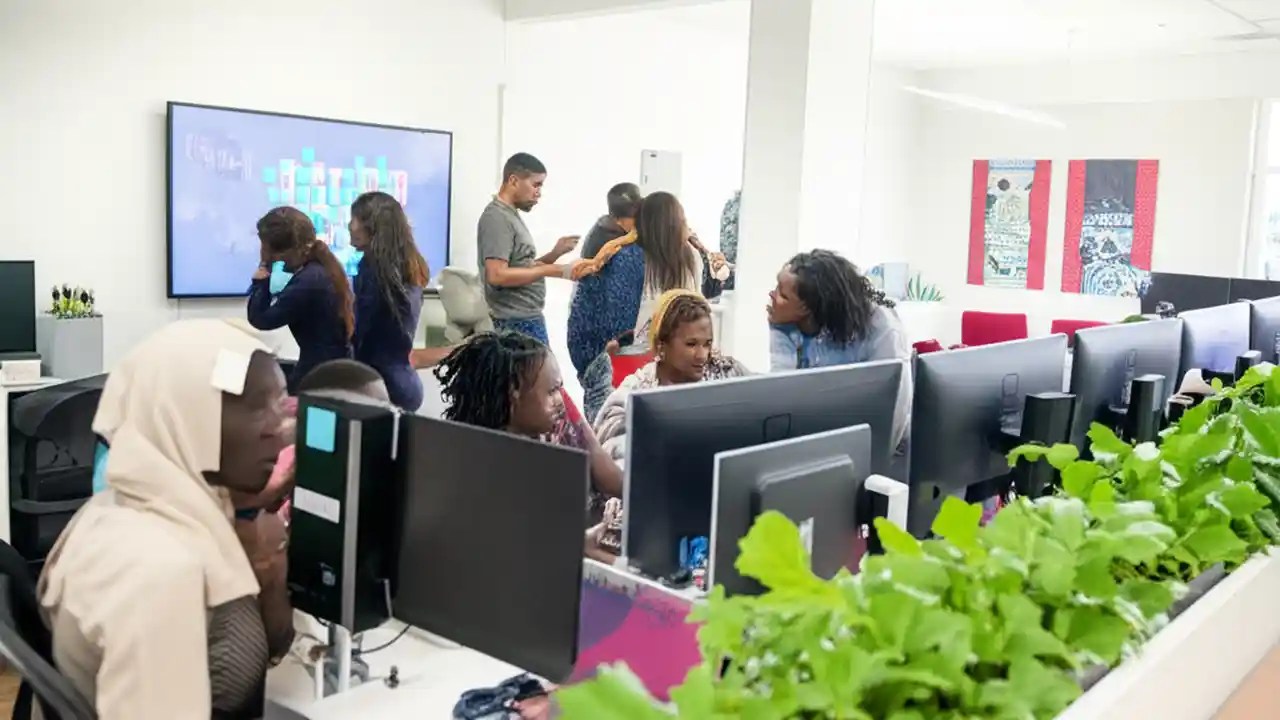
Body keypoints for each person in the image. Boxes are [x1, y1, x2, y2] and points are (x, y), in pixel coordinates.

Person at [38, 320, 290, 719]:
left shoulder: (120, 508)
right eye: (258, 407)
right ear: (184, 418)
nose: (279, 429)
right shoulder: (160, 573)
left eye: (280, 403)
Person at [432, 331, 624, 557]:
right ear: (513, 396)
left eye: (560, 388)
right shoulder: (480, 470)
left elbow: (607, 473)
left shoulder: (557, 418)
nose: (561, 399)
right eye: (552, 391)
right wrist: (581, 547)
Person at [767, 249, 913, 447]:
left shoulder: (881, 327)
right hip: (822, 443)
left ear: (807, 308)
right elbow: (782, 394)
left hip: (882, 447)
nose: (772, 296)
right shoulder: (784, 323)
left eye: (783, 295)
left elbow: (895, 411)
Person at [247, 206, 354, 393]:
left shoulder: (308, 282)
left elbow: (260, 319)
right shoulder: (319, 271)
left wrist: (262, 276)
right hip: (333, 375)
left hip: (320, 381)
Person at [478, 153, 580, 345]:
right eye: (536, 185)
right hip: (517, 324)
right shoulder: (497, 218)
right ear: (514, 181)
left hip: (525, 320)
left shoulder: (509, 215)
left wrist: (555, 254)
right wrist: (555, 271)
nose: (538, 193)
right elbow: (497, 275)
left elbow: (521, 267)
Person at [350, 191, 430, 412]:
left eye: (354, 219)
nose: (350, 226)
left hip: (381, 387)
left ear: (371, 225)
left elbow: (361, 333)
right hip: (401, 383)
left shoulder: (376, 274)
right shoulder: (406, 268)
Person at [580, 182, 642, 260]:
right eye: (635, 216)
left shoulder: (625, 228)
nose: (641, 219)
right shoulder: (605, 242)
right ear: (618, 220)